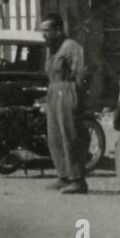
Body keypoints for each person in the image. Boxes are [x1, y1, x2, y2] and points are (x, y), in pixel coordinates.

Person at [42, 13, 89, 194]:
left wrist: (78, 97)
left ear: (58, 30)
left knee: (70, 135)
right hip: (54, 91)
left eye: (47, 31)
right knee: (55, 137)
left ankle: (78, 180)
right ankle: (64, 176)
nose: (44, 35)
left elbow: (81, 73)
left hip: (68, 91)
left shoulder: (71, 47)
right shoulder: (52, 49)